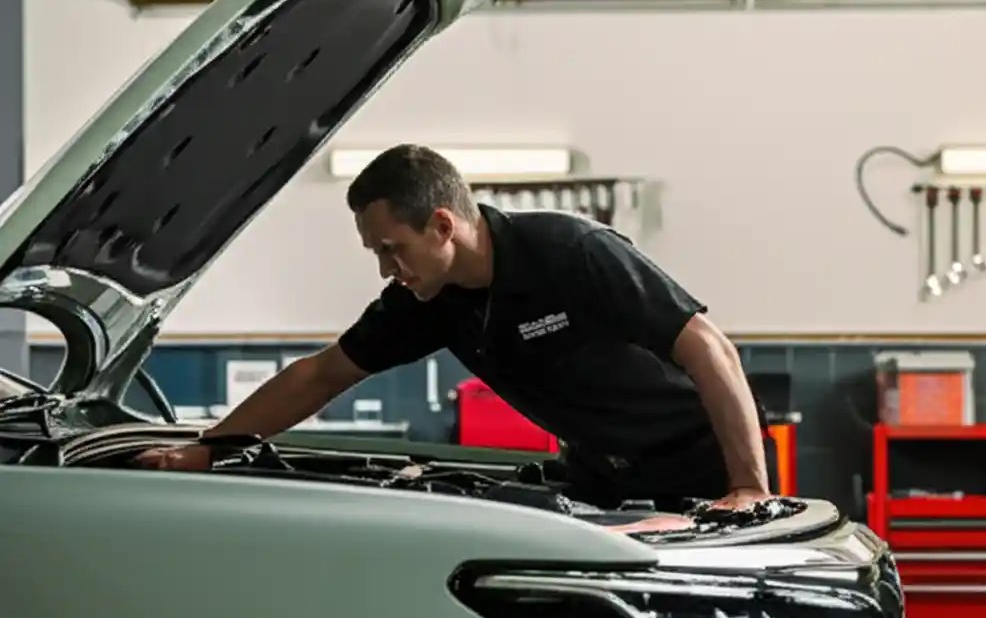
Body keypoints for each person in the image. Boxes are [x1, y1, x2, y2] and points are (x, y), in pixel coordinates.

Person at [135, 144, 773, 511]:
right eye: (377, 255)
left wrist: (747, 488)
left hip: (700, 468)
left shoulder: (571, 251)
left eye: (392, 249)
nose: (388, 269)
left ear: (443, 225)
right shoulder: (427, 297)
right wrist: (211, 448)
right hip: (601, 475)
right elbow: (320, 375)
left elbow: (709, 348)